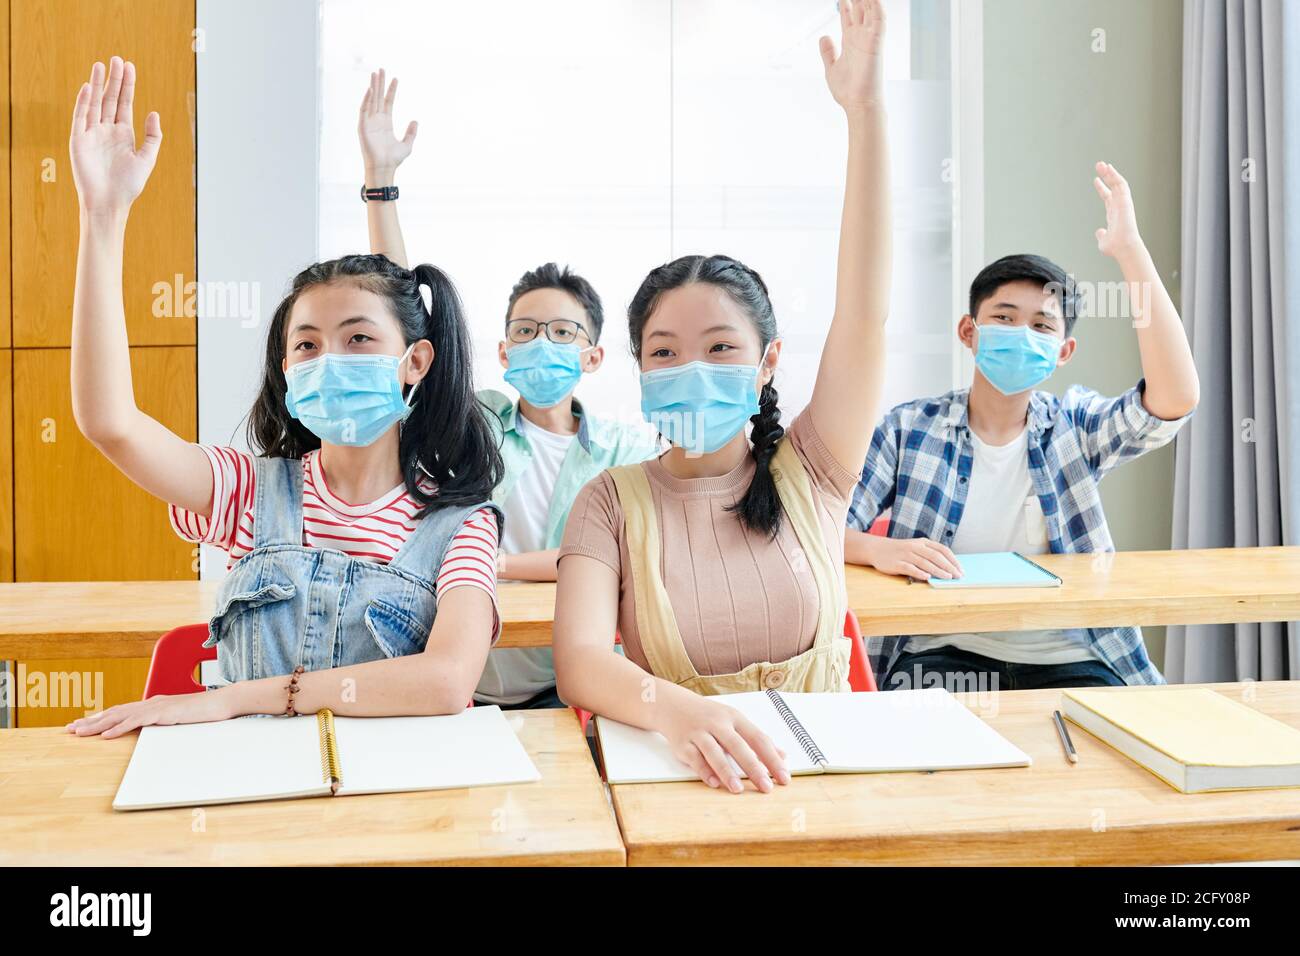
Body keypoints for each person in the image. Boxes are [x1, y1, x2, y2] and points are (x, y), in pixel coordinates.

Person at [66, 57, 503, 738]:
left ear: (415, 362)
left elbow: (446, 682)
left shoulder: (460, 524)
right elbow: (110, 423)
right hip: (254, 792)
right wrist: (103, 218)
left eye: (359, 340)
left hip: (395, 799)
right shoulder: (247, 491)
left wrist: (238, 699)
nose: (329, 359)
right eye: (307, 345)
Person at [552, 0, 892, 794]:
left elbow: (865, 313)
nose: (691, 368)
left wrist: (865, 112)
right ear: (638, 368)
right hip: (677, 788)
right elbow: (579, 662)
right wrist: (678, 713)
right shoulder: (610, 503)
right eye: (665, 353)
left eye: (721, 349)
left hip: (833, 786)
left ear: (768, 362)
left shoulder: (813, 469)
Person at [356, 72, 658, 709]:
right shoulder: (478, 427)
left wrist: (486, 563)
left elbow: (605, 563)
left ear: (594, 354)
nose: (542, 342)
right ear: (502, 350)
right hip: (454, 685)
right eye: (525, 330)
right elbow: (409, 313)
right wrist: (381, 189)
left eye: (561, 331)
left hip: (563, 692)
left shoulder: (624, 452)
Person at [846, 163, 1199, 691]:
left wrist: (1130, 252)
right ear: (969, 331)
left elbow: (1173, 399)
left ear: (1063, 352)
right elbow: (819, 530)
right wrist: (879, 549)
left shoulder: (1075, 428)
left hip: (1071, 657)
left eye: (1041, 326)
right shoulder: (907, 429)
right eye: (1004, 317)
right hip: (942, 657)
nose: (1020, 333)